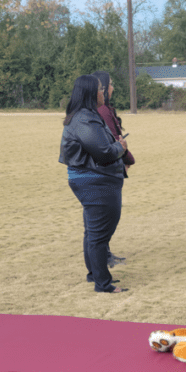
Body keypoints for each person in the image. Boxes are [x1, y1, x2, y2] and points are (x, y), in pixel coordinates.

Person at [59, 75, 129, 293]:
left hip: (94, 180)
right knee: (99, 234)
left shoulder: (86, 116)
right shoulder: (85, 119)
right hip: (95, 181)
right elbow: (104, 152)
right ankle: (103, 284)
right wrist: (121, 147)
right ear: (91, 93)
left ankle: (96, 275)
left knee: (93, 232)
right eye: (100, 89)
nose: (104, 92)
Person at [91, 71, 134, 269]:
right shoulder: (103, 111)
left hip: (106, 167)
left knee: (103, 216)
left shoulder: (102, 110)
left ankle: (104, 254)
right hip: (107, 170)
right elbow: (113, 141)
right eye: (110, 84)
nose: (112, 87)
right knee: (106, 216)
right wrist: (127, 159)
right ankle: (104, 256)